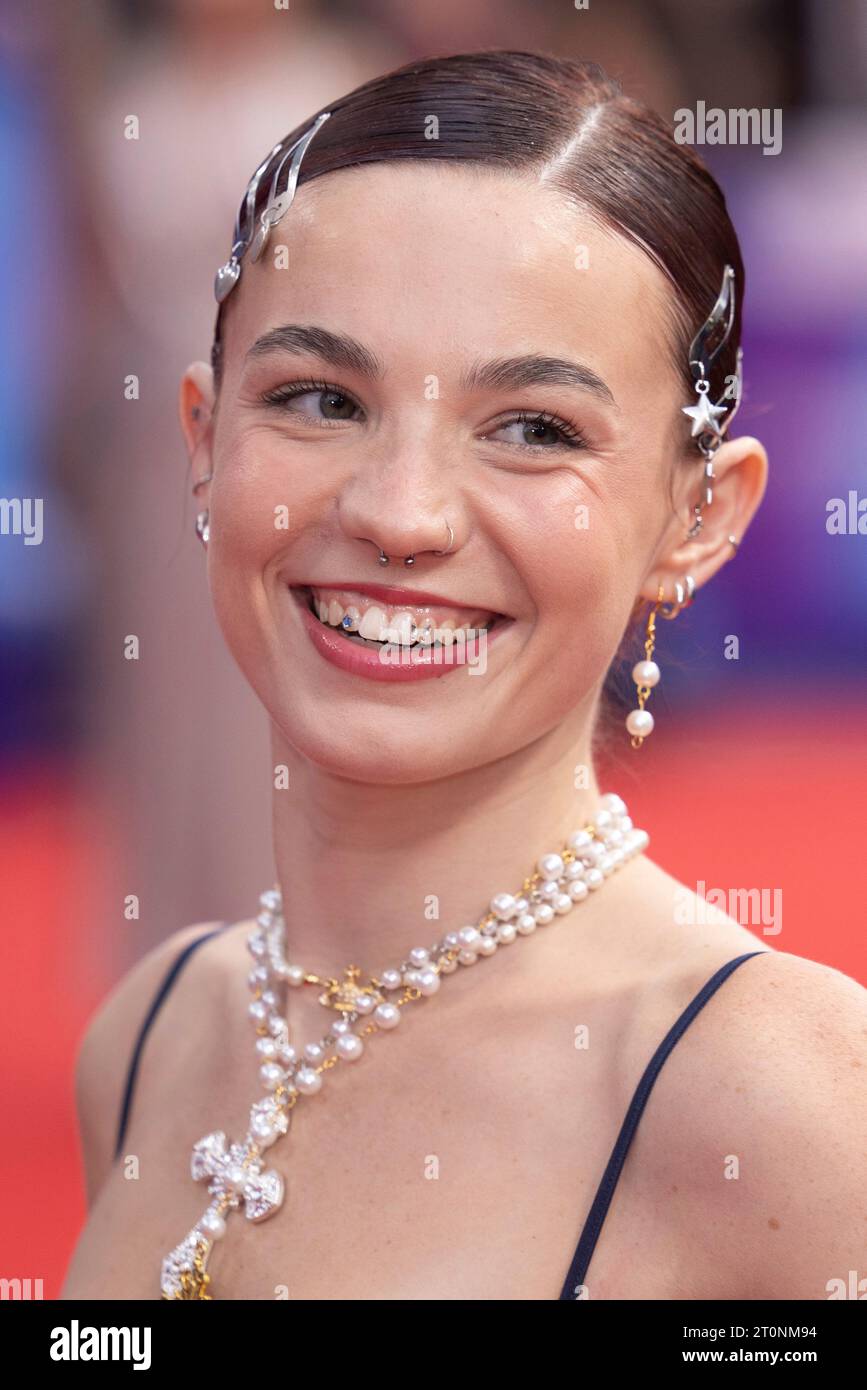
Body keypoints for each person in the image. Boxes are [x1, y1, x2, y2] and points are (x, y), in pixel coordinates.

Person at [62, 50, 866, 1301]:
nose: (402, 512)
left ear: (697, 519)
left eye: (534, 428)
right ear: (203, 441)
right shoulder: (151, 1038)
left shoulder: (780, 1098)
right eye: (321, 398)